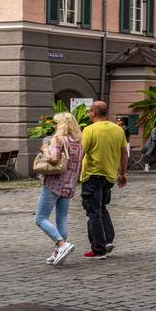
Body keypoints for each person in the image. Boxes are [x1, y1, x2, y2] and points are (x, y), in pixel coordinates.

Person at [79, 101, 128, 260]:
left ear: (93, 113)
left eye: (89, 111)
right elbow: (124, 153)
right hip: (110, 177)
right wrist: (123, 173)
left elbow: (81, 153)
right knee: (101, 207)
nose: (88, 114)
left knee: (93, 212)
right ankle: (108, 240)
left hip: (92, 175)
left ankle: (98, 249)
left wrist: (74, 174)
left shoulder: (89, 130)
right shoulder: (118, 129)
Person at [35, 111, 82, 266]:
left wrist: (44, 150)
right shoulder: (77, 140)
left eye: (55, 123)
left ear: (61, 124)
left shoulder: (58, 139)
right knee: (61, 218)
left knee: (40, 219)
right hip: (69, 184)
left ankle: (62, 244)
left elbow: (54, 159)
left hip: (54, 183)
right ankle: (57, 253)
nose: (54, 126)